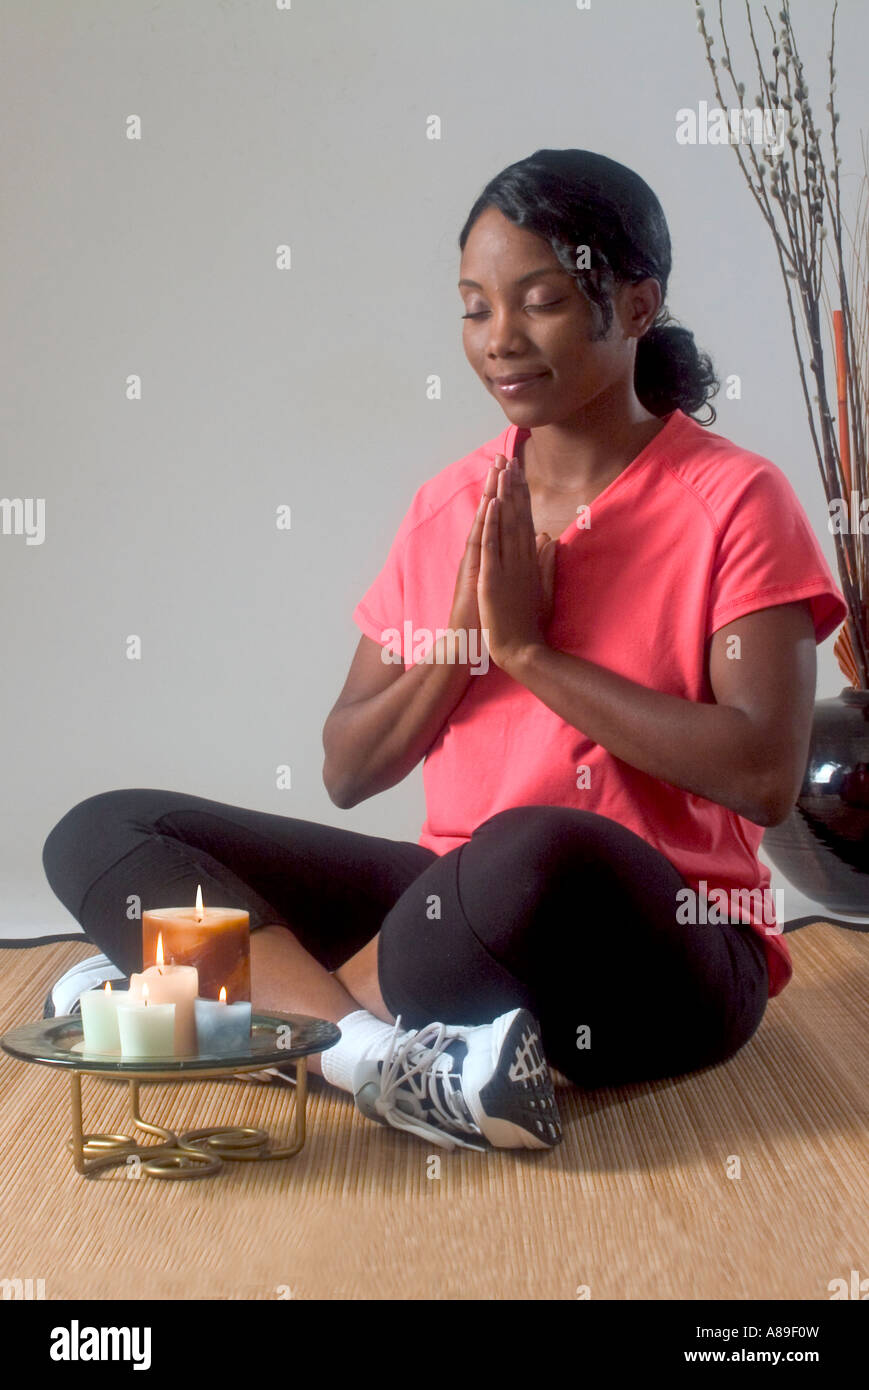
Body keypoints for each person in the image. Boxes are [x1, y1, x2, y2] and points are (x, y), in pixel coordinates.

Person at [41, 148, 848, 1155]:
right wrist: (463, 642)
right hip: (444, 921)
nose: (499, 340)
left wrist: (529, 651)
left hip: (659, 949)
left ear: (637, 305)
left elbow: (762, 774)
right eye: (474, 309)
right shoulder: (453, 506)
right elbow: (346, 769)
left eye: (539, 302)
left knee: (532, 847)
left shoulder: (733, 500)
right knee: (104, 829)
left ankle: (221, 1005)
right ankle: (362, 1056)